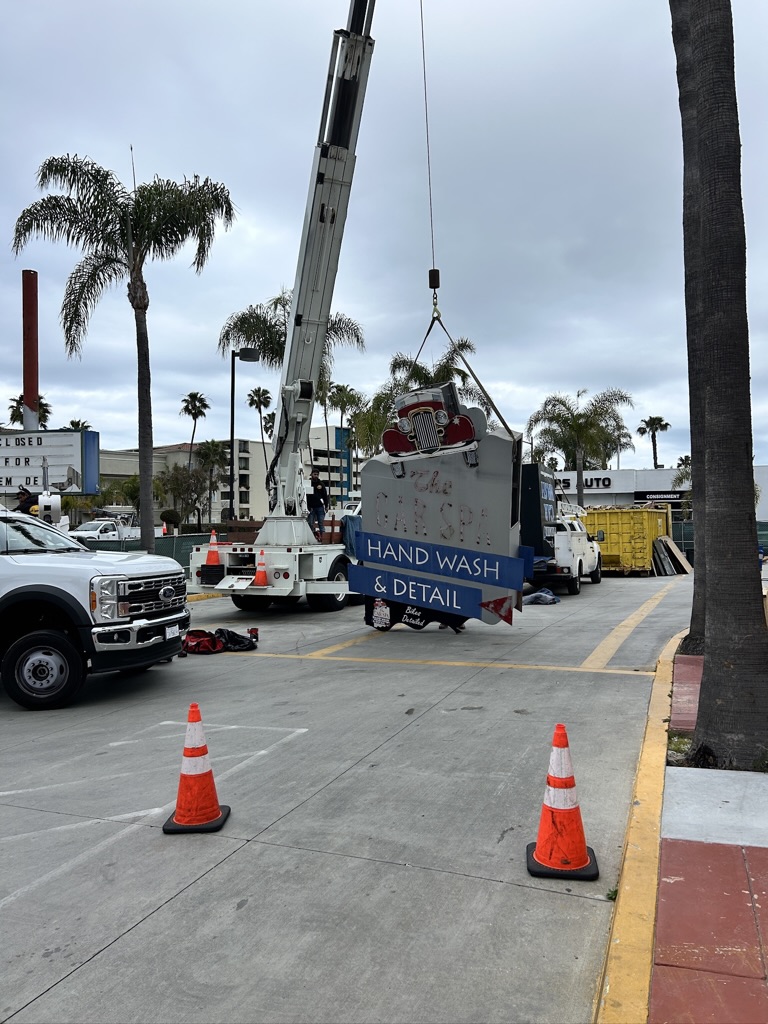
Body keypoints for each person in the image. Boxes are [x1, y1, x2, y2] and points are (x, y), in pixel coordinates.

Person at [306, 469, 329, 538]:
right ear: (311, 474)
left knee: (321, 523)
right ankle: (311, 537)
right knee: (310, 523)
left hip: (320, 507)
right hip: (310, 507)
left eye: (317, 474)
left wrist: (326, 506)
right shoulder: (307, 483)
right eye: (314, 474)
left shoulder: (321, 484)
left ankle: (323, 538)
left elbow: (325, 495)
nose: (315, 476)